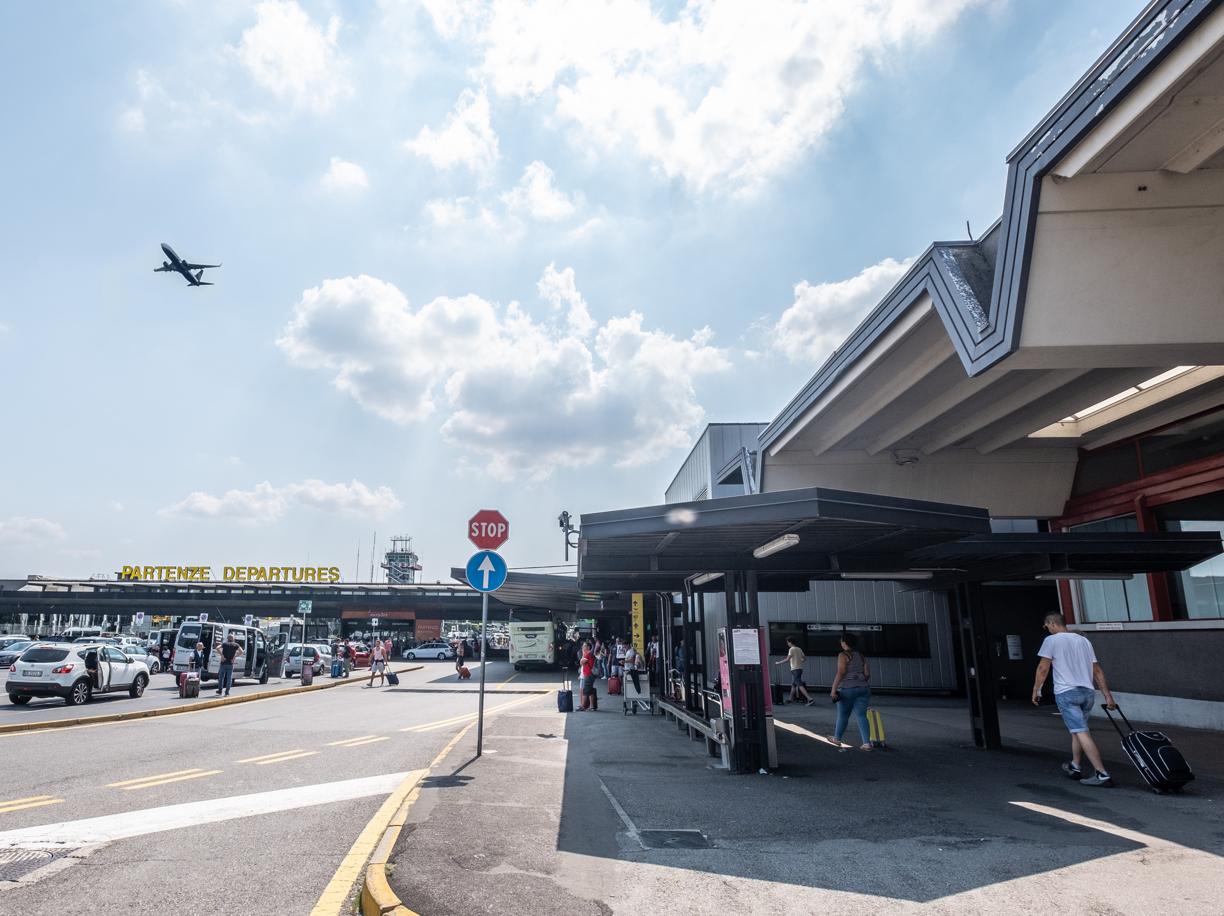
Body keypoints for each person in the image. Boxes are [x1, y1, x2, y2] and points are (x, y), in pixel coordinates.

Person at [1032, 612, 1116, 787]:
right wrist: (1108, 695)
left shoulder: (1051, 641)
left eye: (1046, 626)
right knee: (1078, 730)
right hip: (1087, 692)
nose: (1046, 629)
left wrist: (1036, 689)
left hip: (1067, 692)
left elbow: (1042, 668)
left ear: (1052, 623)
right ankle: (1075, 766)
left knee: (1081, 732)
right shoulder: (1083, 641)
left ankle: (1102, 773)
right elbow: (1097, 671)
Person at [830, 634, 872, 749]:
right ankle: (867, 743)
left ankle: (837, 738)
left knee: (843, 715)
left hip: (847, 688)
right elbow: (867, 674)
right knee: (862, 715)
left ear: (844, 642)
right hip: (864, 688)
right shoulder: (861, 656)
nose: (841, 643)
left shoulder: (843, 655)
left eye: (841, 641)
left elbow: (841, 672)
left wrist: (833, 689)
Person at [773, 636, 815, 706]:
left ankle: (810, 699)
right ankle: (790, 699)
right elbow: (804, 658)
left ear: (790, 642)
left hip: (795, 669)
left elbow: (787, 659)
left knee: (799, 684)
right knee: (793, 684)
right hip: (799, 669)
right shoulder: (799, 649)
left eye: (787, 642)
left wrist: (778, 663)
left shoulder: (791, 649)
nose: (787, 644)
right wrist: (799, 661)